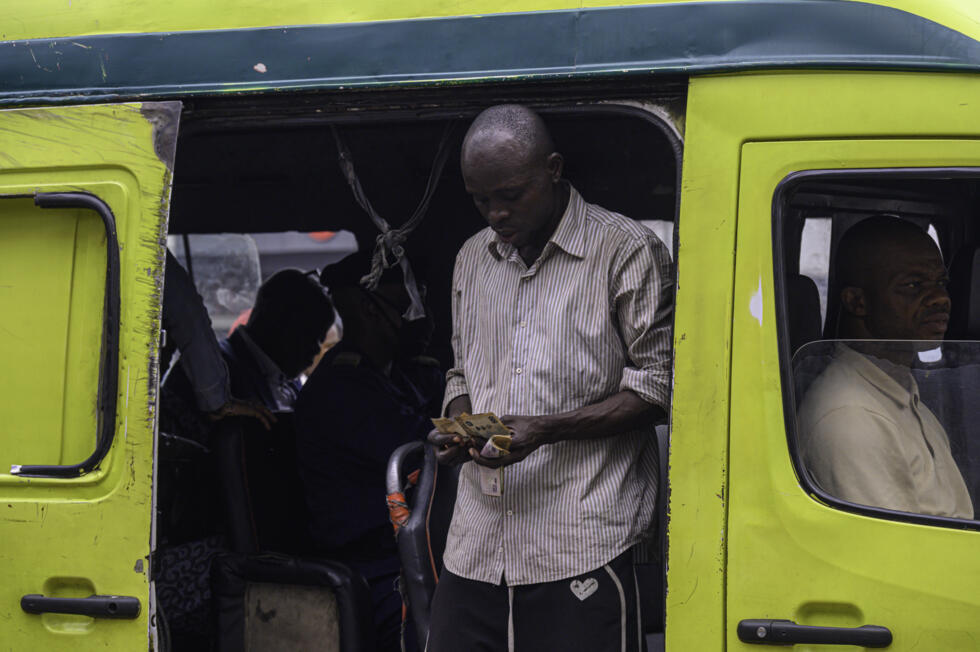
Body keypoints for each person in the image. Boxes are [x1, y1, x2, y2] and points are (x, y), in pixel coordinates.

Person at [426, 104, 673, 651]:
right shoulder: (471, 258)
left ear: (554, 170)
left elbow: (659, 388)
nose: (495, 213)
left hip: (580, 540)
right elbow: (463, 367)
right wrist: (464, 424)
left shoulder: (625, 250)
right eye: (480, 200)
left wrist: (545, 429)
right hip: (476, 544)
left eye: (510, 196)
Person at [294, 252, 439, 652]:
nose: (419, 315)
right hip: (376, 570)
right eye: (406, 303)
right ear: (367, 310)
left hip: (401, 555)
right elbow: (427, 450)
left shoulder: (393, 376)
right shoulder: (342, 389)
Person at [798, 216, 973, 519]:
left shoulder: (899, 392)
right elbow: (892, 557)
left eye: (941, 283)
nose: (941, 298)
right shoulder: (851, 416)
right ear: (857, 302)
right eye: (913, 285)